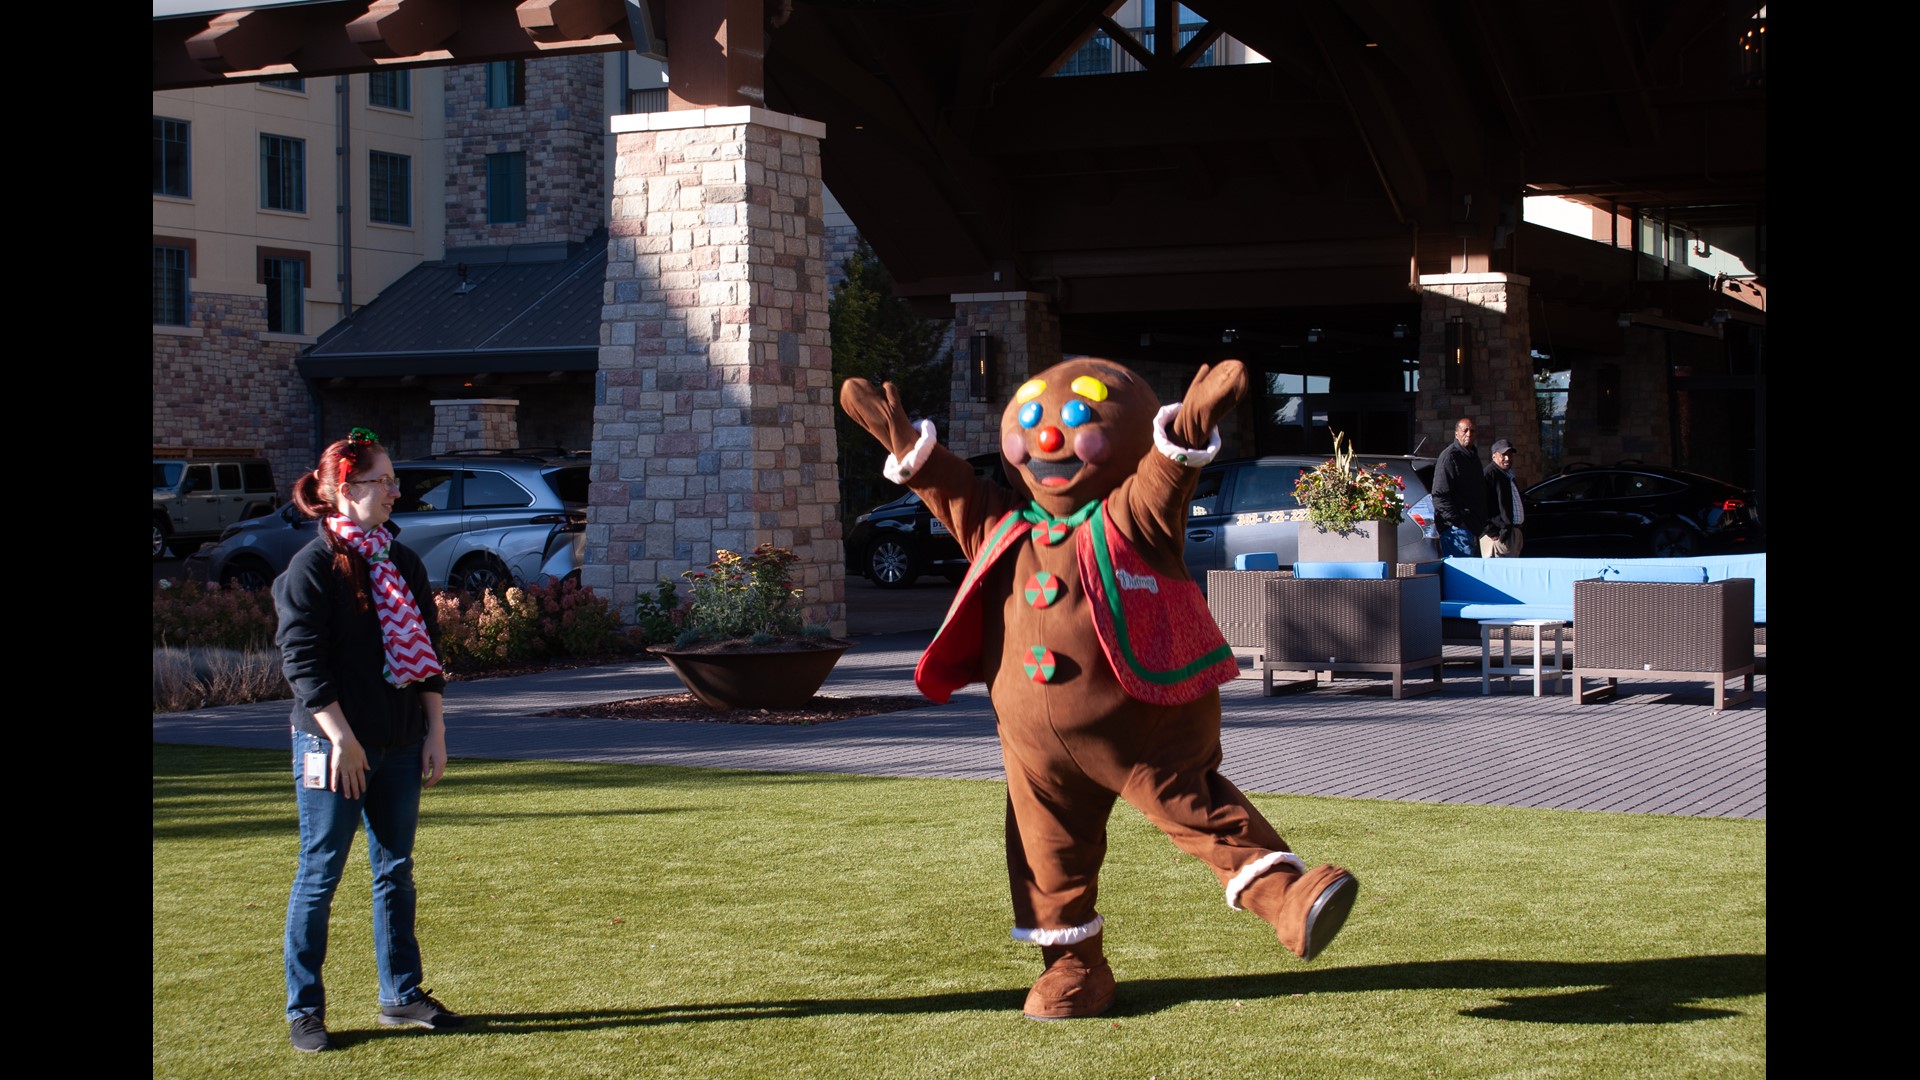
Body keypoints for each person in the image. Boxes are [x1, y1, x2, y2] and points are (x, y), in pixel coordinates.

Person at [841, 359, 1356, 1022]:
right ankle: (1074, 967)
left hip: (1142, 720)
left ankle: (1284, 898)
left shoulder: (1129, 516)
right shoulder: (1002, 523)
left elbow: (1164, 482)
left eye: (1077, 421)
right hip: (1034, 750)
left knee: (1193, 807)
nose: (1048, 441)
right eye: (1032, 424)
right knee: (1043, 850)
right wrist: (908, 445)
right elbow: (952, 489)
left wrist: (1190, 426)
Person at [273, 427, 464, 1053]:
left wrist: (434, 731)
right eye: (383, 481)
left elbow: (428, 654)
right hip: (332, 746)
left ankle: (401, 997)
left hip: (401, 741)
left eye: (392, 481)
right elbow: (303, 665)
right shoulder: (312, 567)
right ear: (344, 490)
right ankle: (305, 1011)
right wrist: (342, 742)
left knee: (395, 871)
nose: (393, 491)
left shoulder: (401, 560)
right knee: (321, 871)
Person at [1430, 417, 1488, 558]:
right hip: (1456, 531)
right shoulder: (1449, 457)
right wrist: (1459, 523)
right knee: (1461, 577)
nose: (1469, 434)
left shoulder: (1473, 457)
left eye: (1472, 431)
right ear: (1456, 433)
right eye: (1465, 430)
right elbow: (1439, 496)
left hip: (1473, 529)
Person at [1481, 438, 1525, 557]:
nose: (1507, 458)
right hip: (1499, 537)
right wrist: (1492, 532)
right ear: (1494, 456)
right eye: (1503, 455)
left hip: (1512, 533)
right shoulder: (1489, 474)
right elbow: (1479, 506)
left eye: (1510, 455)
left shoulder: (1507, 475)